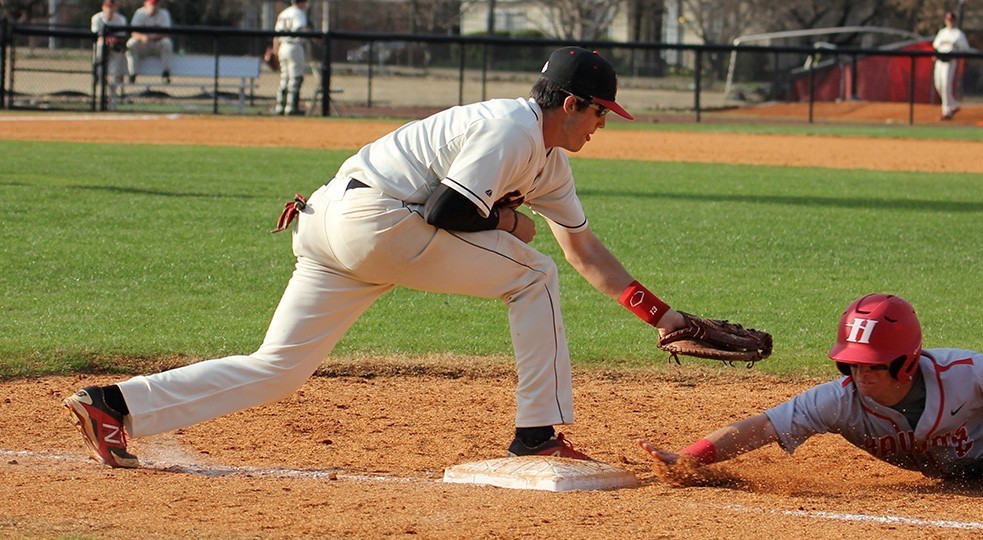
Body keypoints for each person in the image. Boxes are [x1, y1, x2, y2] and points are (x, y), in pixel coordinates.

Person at [63, 46, 751, 468]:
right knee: (532, 275)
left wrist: (659, 314)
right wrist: (512, 222)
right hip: (374, 221)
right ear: (569, 103)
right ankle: (536, 435)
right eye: (600, 112)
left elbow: (584, 247)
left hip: (334, 221)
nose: (603, 125)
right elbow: (445, 213)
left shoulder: (549, 161)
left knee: (280, 368)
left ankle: (114, 406)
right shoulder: (511, 126)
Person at [638, 293, 983, 496]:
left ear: (906, 362)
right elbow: (765, 426)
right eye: (852, 363)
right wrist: (689, 458)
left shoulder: (968, 375)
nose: (860, 374)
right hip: (969, 471)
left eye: (873, 364)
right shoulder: (840, 401)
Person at [272, 0, 311, 116]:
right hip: (294, 46)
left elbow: (276, 35)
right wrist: (311, 33)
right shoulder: (298, 13)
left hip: (282, 46)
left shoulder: (284, 13)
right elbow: (299, 29)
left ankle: (280, 106)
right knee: (295, 78)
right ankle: (291, 108)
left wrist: (275, 51)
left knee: (284, 78)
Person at [932, 11, 970, 120]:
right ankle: (953, 105)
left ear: (955, 21)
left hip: (950, 61)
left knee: (945, 85)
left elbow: (965, 49)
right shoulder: (942, 33)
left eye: (952, 20)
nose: (950, 22)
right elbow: (935, 46)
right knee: (938, 85)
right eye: (948, 20)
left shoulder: (958, 34)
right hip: (939, 61)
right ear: (945, 21)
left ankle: (947, 112)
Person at [90, 0, 128, 106]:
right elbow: (97, 37)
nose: (109, 9)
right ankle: (97, 73)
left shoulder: (121, 19)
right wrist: (108, 40)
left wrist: (113, 41)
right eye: (107, 7)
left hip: (115, 51)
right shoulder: (97, 18)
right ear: (103, 7)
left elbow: (121, 38)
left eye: (112, 7)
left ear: (115, 8)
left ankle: (113, 100)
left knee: (115, 74)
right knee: (100, 72)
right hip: (101, 49)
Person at [126, 0, 173, 84]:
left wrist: (154, 37)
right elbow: (133, 32)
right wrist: (142, 37)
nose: (153, 6)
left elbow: (167, 32)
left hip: (157, 44)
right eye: (151, 4)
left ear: (159, 5)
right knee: (131, 43)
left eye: (155, 4)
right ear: (145, 4)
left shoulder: (164, 13)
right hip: (143, 45)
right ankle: (132, 73)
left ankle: (166, 73)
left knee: (167, 43)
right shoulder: (140, 13)